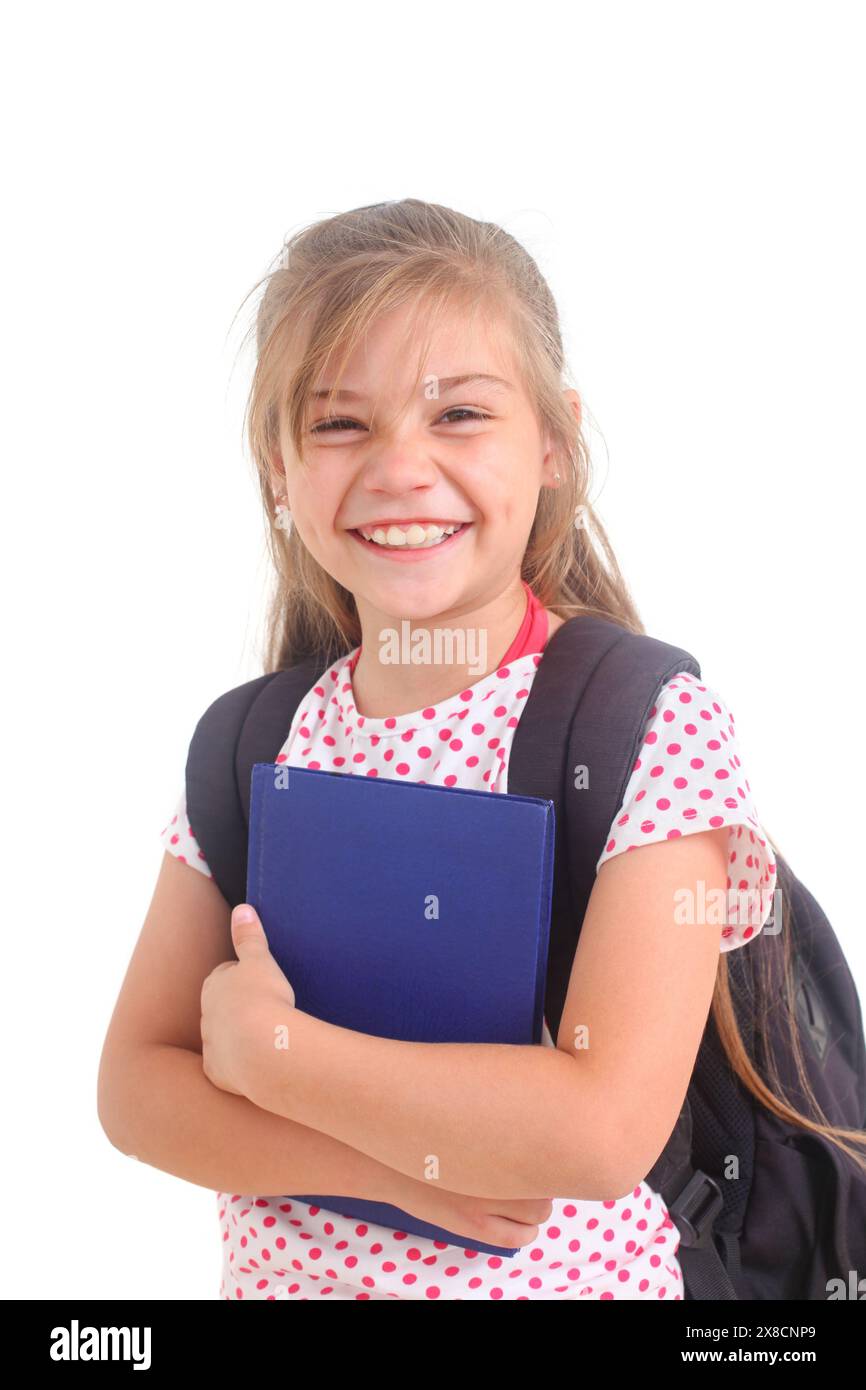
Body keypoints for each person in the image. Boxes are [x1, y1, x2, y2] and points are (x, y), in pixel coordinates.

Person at [99, 199, 787, 1301]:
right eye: (337, 425)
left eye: (458, 414)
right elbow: (135, 1090)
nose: (401, 468)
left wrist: (274, 1055)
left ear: (554, 439)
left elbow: (601, 1126)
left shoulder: (644, 723)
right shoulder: (251, 744)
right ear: (278, 468)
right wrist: (399, 1170)